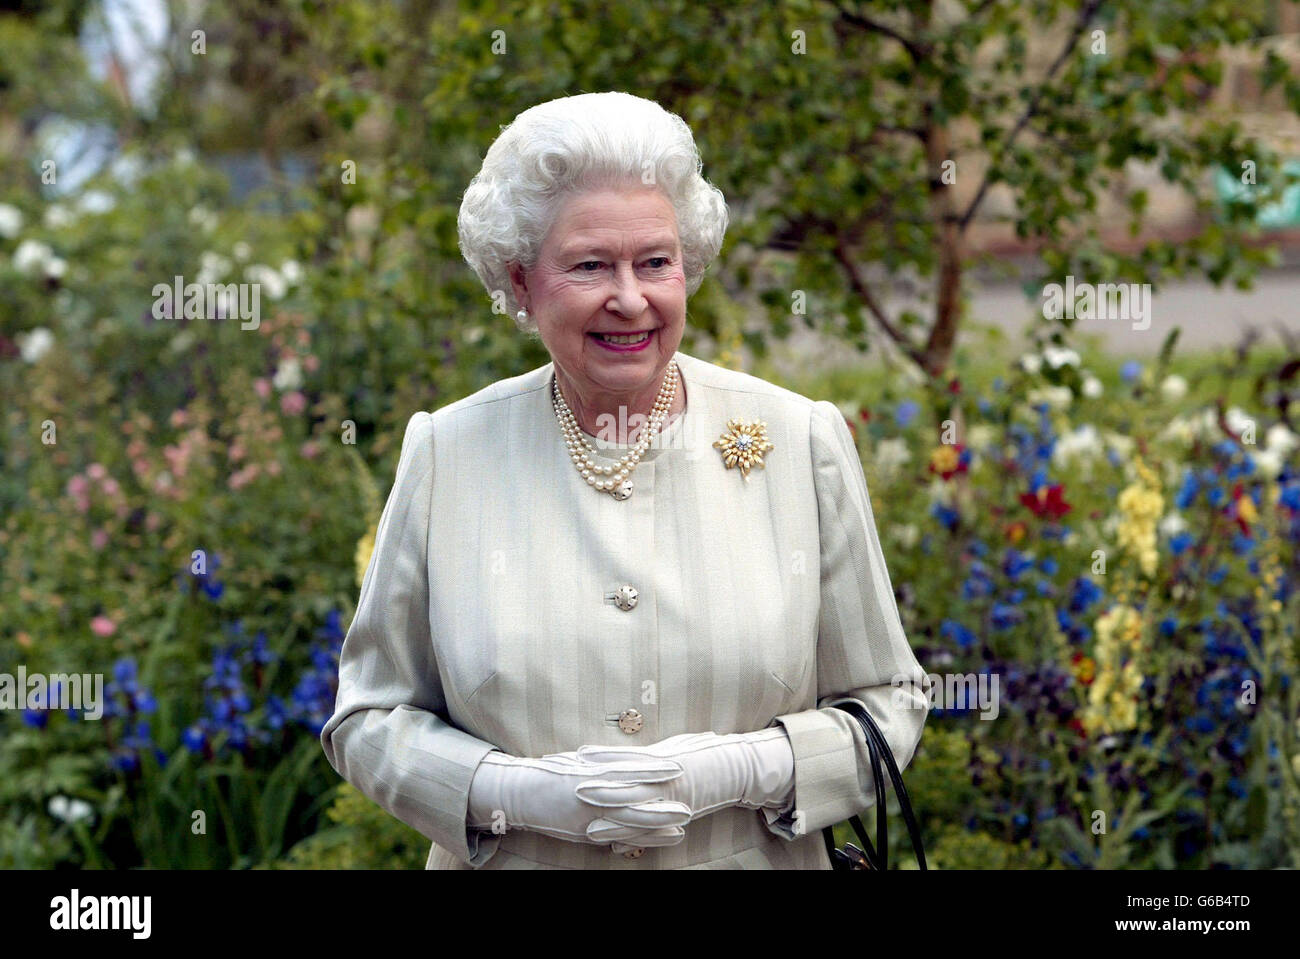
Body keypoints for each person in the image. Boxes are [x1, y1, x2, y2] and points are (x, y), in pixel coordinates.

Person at [320, 91, 930, 869]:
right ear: (520, 277)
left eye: (654, 262)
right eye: (589, 266)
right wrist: (513, 791)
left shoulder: (796, 438)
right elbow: (369, 717)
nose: (631, 298)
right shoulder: (449, 450)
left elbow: (891, 705)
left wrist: (741, 770)